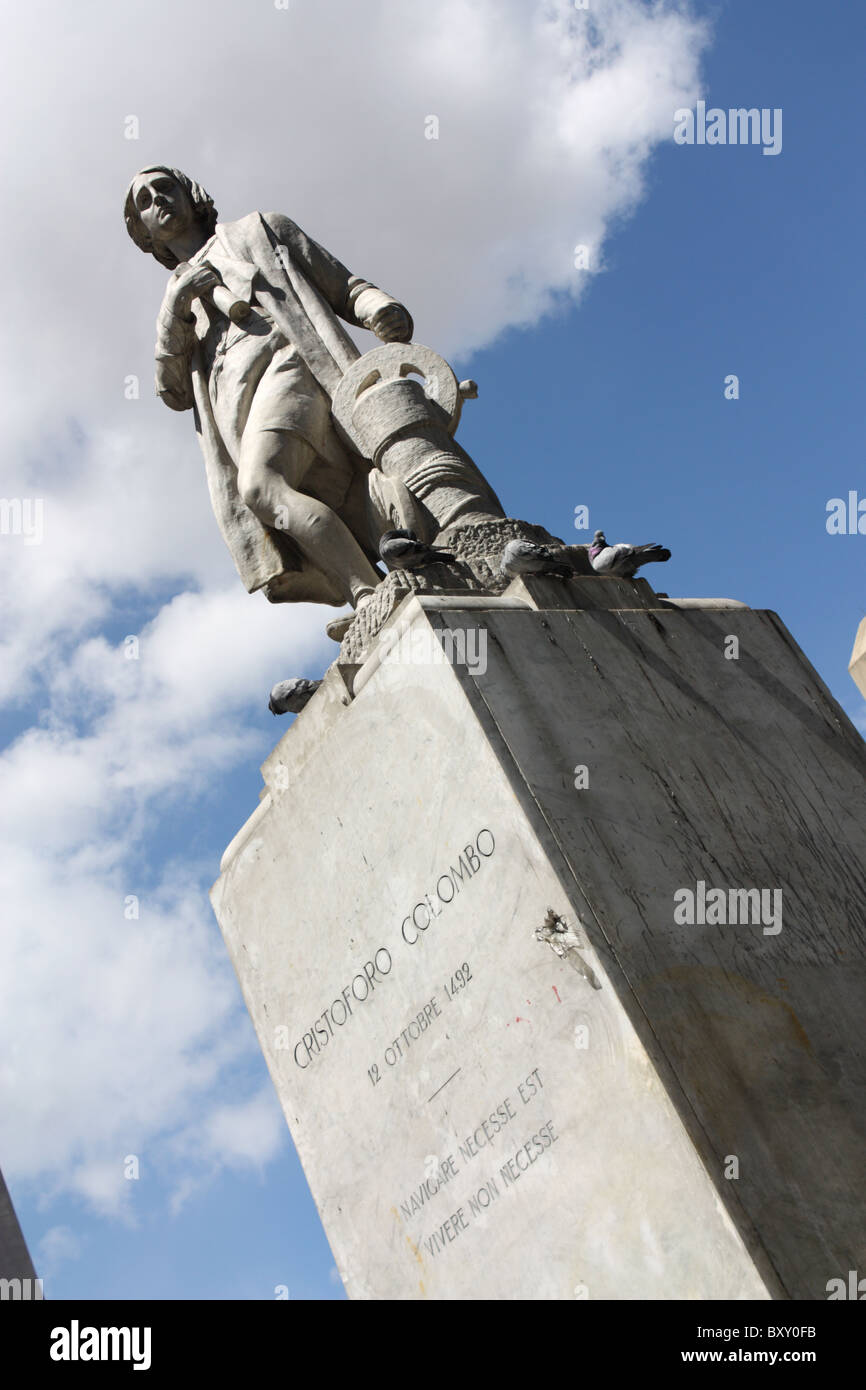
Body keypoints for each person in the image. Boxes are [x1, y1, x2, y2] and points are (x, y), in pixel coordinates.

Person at [124, 165, 414, 614]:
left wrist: (380, 307)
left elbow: (343, 285)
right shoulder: (176, 298)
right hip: (234, 410)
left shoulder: (259, 229)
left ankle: (369, 596)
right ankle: (378, 592)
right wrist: (175, 310)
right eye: (144, 200)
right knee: (311, 500)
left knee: (260, 487)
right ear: (143, 232)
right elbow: (173, 392)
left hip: (291, 361)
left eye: (164, 188)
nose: (156, 200)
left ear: (190, 194)